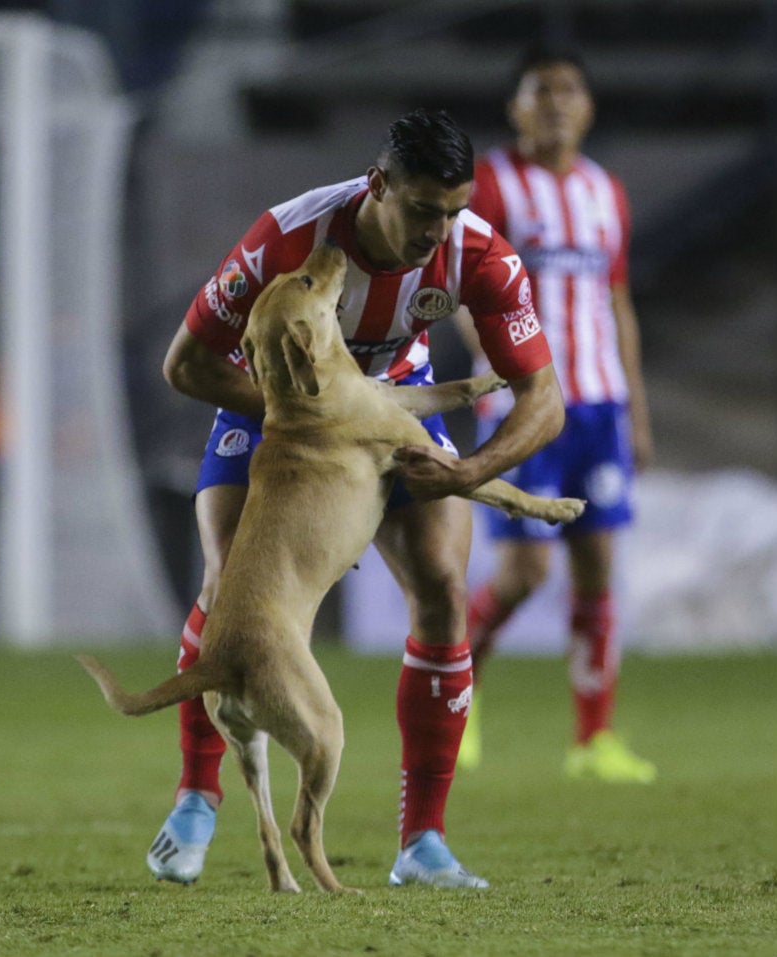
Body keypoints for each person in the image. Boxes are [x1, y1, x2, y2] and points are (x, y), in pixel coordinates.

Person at [150, 108, 565, 889]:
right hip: (270, 402)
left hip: (390, 403)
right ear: (378, 185)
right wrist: (306, 416)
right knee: (224, 578)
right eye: (420, 210)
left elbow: (543, 398)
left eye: (451, 211)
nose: (436, 230)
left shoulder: (477, 253)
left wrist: (475, 469)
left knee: (443, 579)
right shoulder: (288, 236)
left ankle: (423, 842)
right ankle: (196, 799)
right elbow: (186, 364)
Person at [456, 46, 657, 783]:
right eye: (540, 92)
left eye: (569, 91)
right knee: (525, 569)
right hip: (523, 403)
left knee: (598, 566)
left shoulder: (607, 191)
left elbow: (617, 301)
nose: (555, 104)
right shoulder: (493, 184)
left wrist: (636, 409)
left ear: (589, 108)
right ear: (515, 107)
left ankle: (593, 738)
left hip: (599, 401)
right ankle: (459, 695)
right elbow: (468, 291)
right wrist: (496, 381)